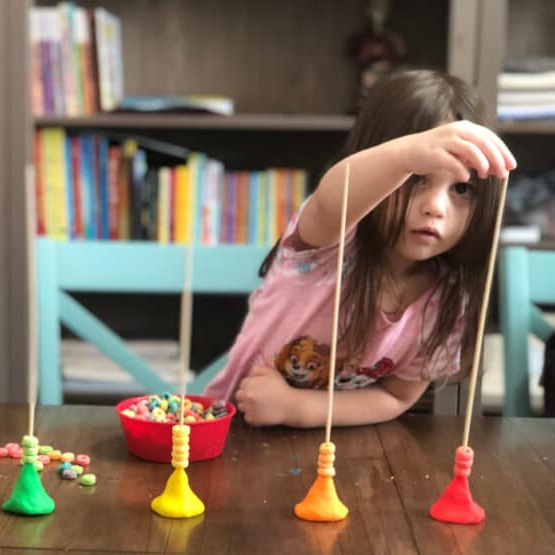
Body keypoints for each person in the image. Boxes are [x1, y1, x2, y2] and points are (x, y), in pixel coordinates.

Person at [203, 69, 517, 427]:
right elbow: (333, 196)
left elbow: (395, 396)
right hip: (229, 434)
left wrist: (297, 408)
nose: (436, 207)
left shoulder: (447, 300)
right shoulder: (330, 239)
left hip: (337, 458)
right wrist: (406, 156)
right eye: (417, 178)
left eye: (461, 189)